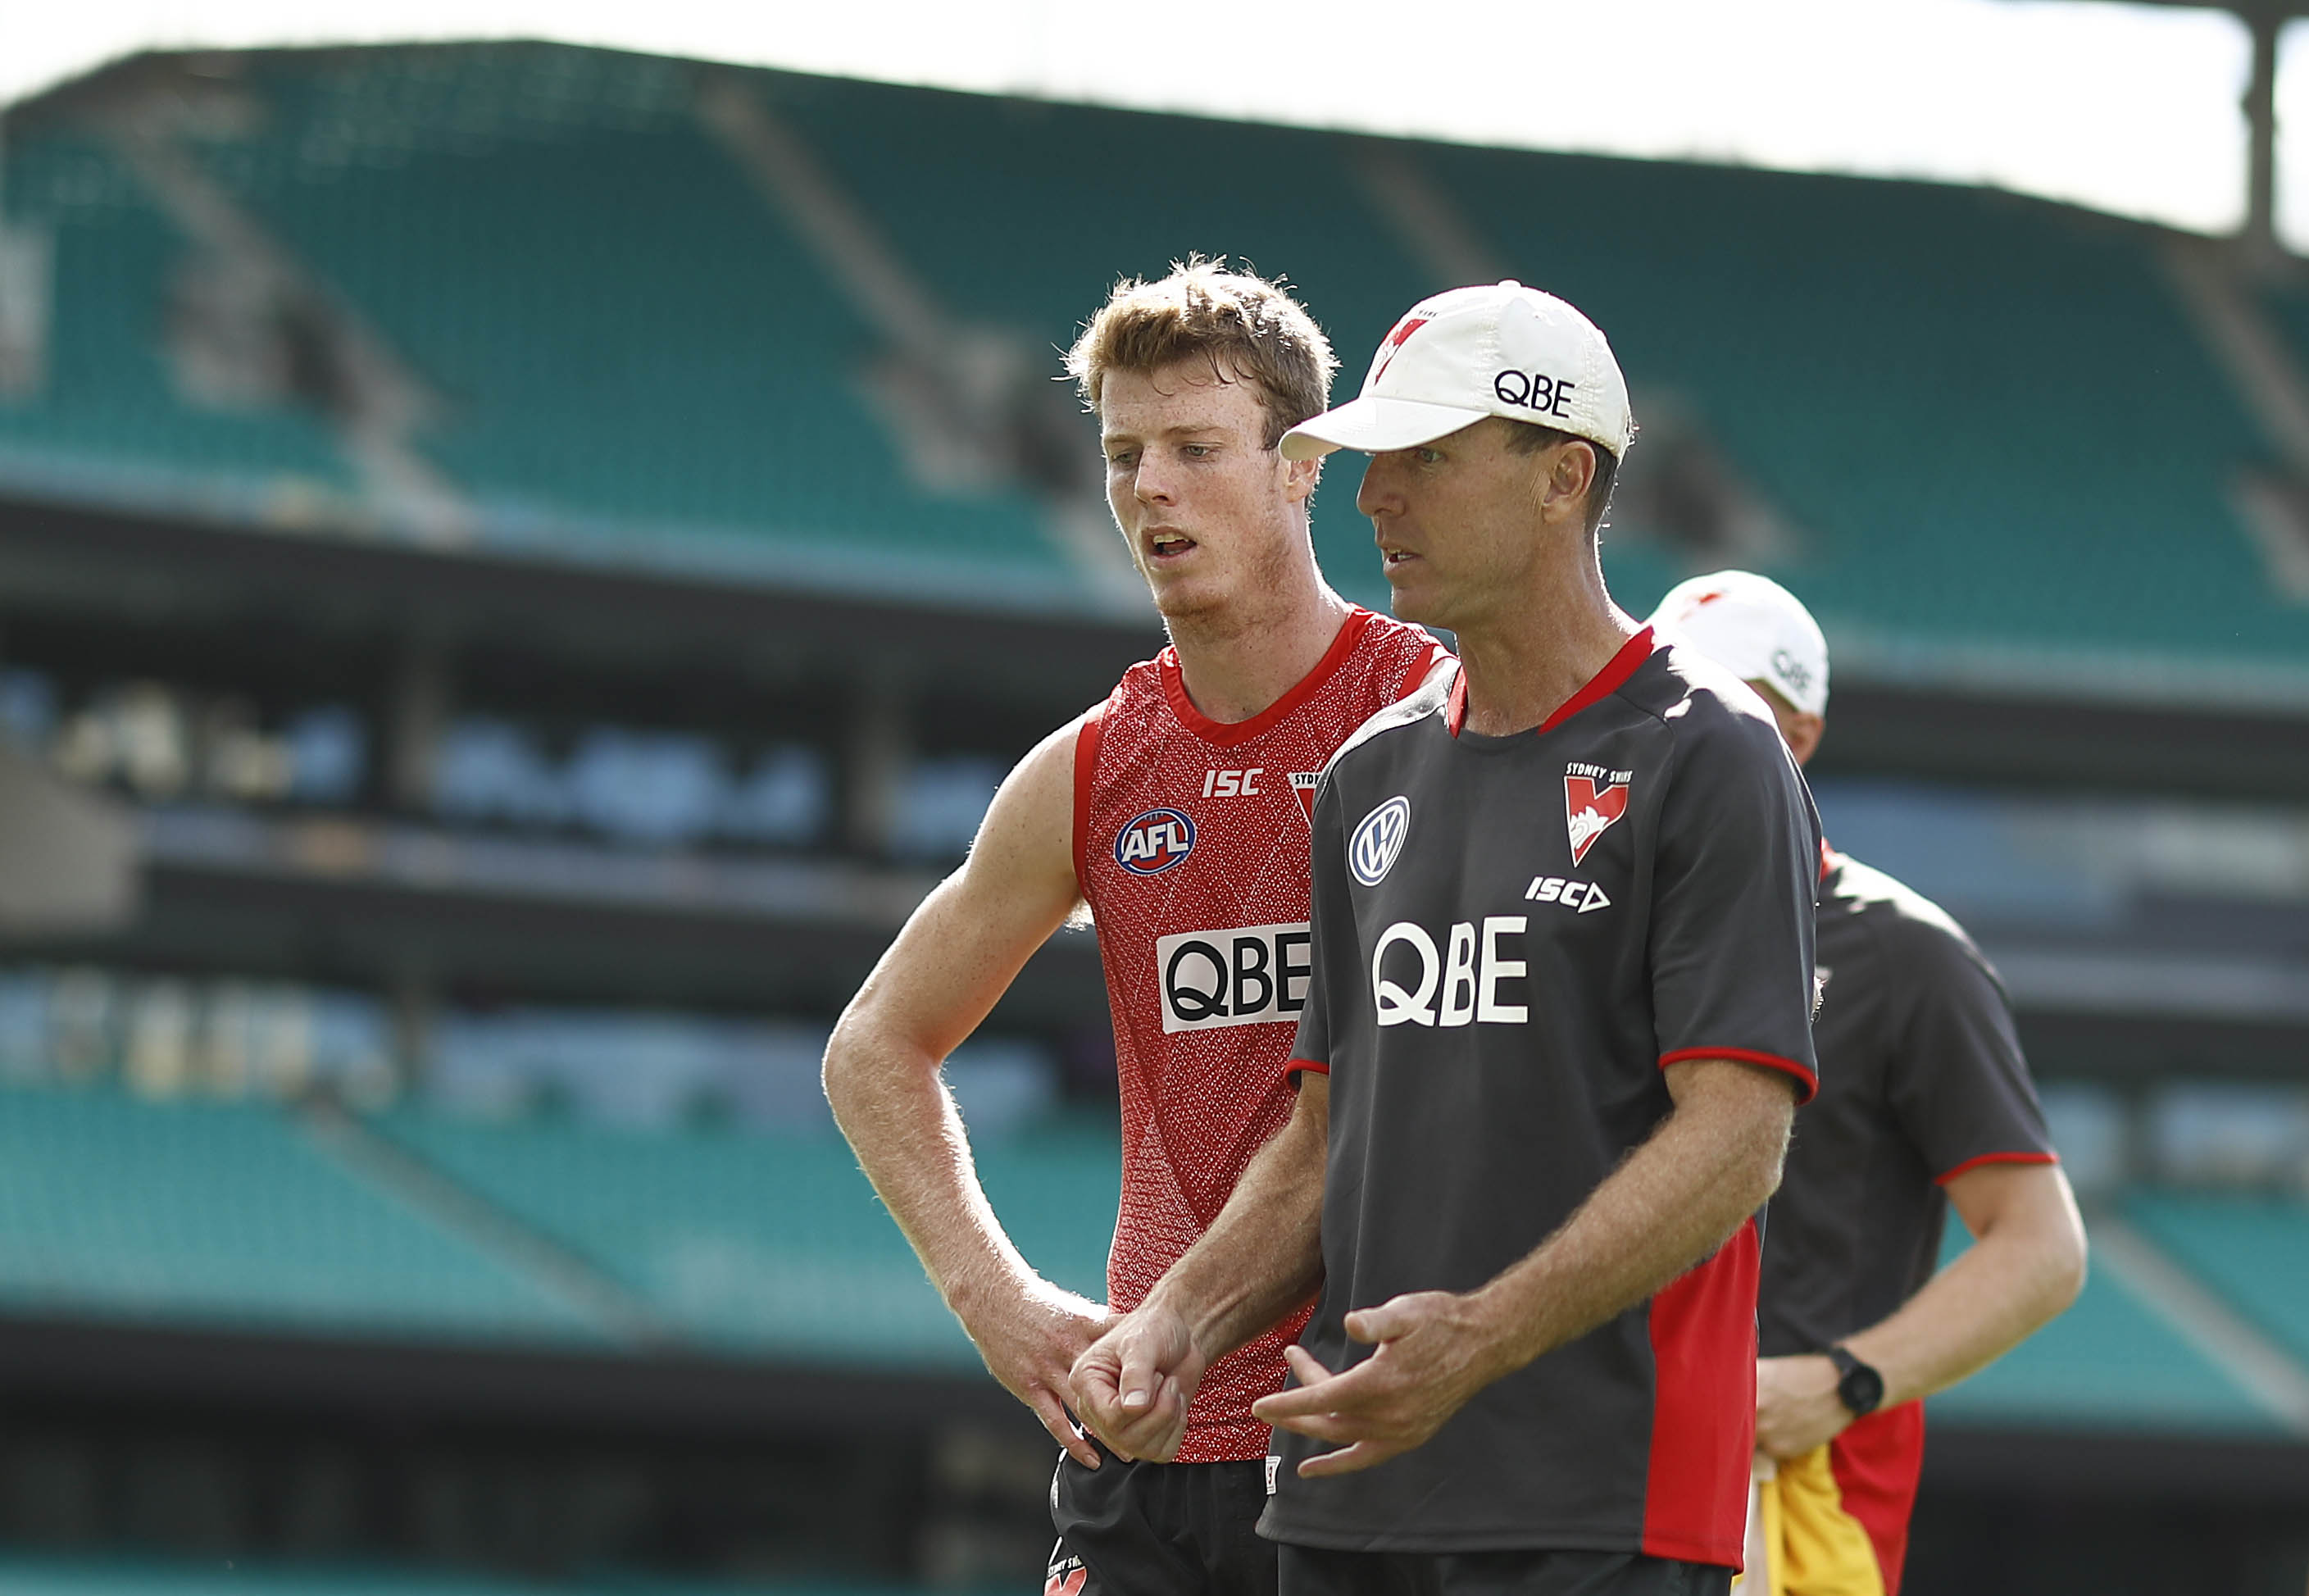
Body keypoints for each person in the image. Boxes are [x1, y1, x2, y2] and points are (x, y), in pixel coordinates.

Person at [1071, 281, 1823, 1595]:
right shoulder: (1370, 773)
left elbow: (1735, 1139)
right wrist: (1177, 1321)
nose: (1373, 497)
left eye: (1425, 459)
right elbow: (1323, 1139)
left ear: (1561, 475)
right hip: (1345, 1503)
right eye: (1374, 460)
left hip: (1598, 1514)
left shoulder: (1709, 751)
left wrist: (1478, 1337)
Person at [820, 261, 1447, 1596]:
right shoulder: (1095, 766)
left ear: (1302, 465)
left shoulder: (1435, 717)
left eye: (1195, 449)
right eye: (1123, 454)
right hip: (1143, 1446)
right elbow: (873, 1044)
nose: (1150, 487)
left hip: (1372, 1435)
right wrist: (995, 1297)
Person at [1648, 572, 2087, 1596]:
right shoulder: (1599, 918)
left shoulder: (1905, 954)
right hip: (1593, 1459)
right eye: (1662, 698)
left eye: (1724, 699)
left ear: (1798, 735)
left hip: (1797, 1491)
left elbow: (2043, 1247)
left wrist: (1842, 1380)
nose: (1681, 729)